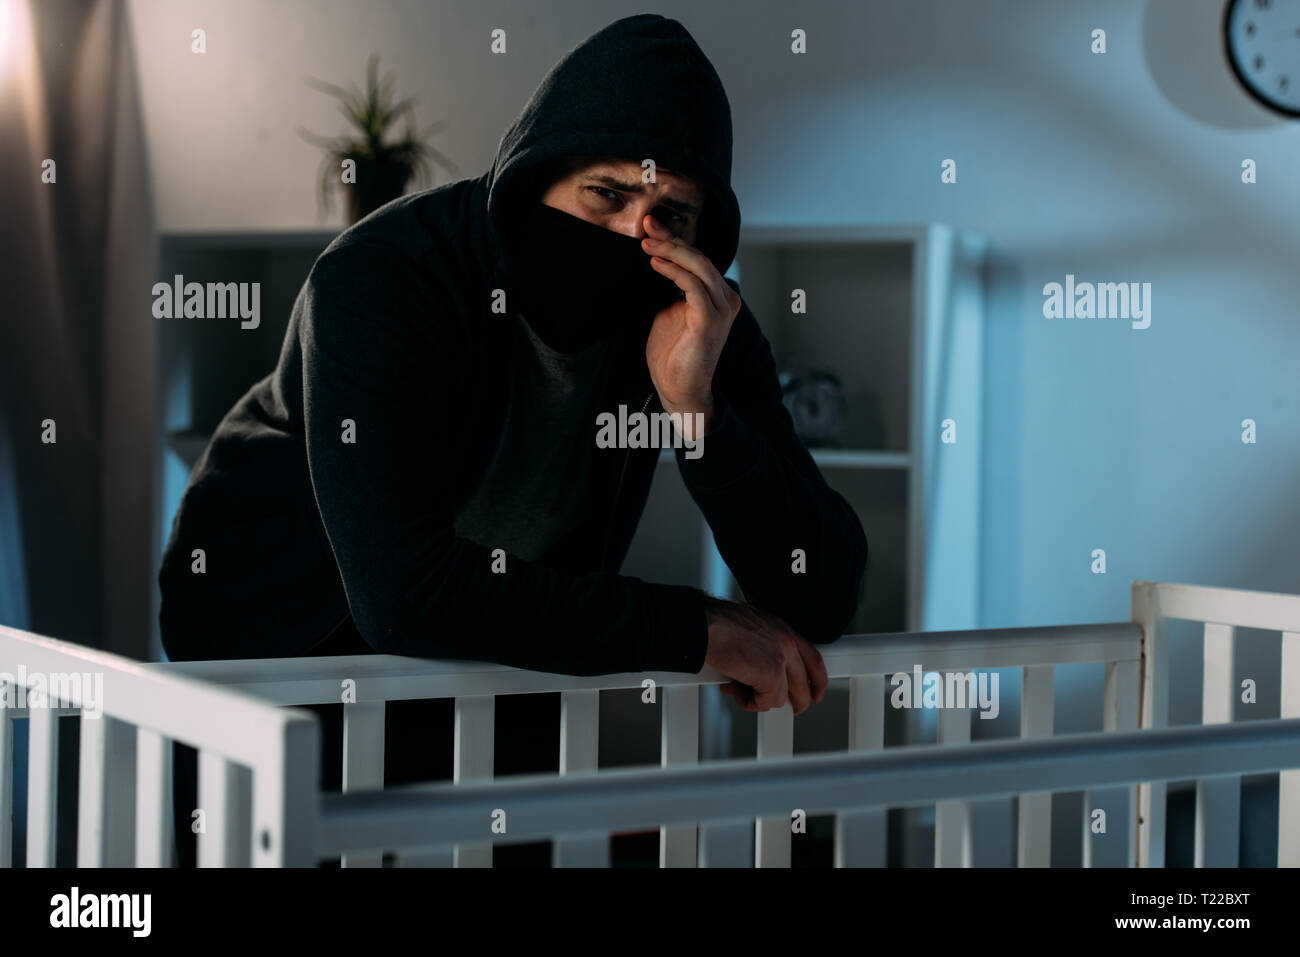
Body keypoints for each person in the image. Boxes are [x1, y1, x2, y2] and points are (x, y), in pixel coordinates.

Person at [159, 13, 867, 864]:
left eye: (669, 214)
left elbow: (820, 587)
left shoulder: (696, 315)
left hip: (504, 643)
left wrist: (698, 414)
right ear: (536, 179)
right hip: (278, 636)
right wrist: (695, 630)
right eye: (605, 195)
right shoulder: (384, 278)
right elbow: (401, 594)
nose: (633, 236)